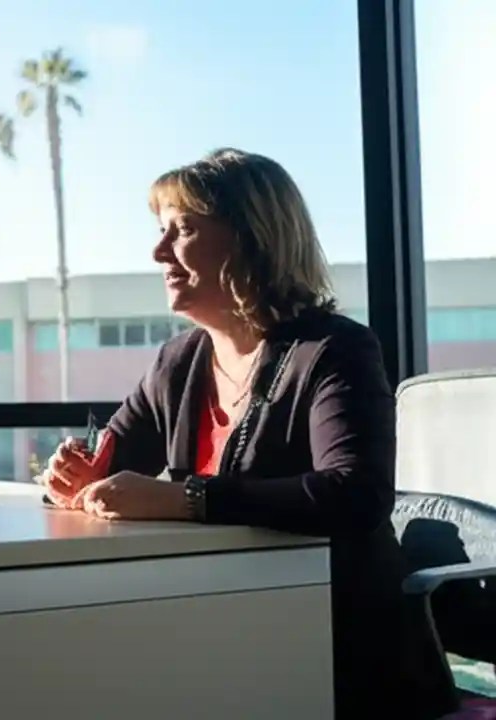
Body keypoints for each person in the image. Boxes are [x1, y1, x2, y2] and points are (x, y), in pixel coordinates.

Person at [39, 148, 455, 719]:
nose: (159, 252)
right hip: (222, 628)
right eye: (161, 232)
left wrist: (187, 499)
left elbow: (356, 493)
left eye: (183, 230)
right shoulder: (178, 362)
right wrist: (73, 475)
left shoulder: (333, 350)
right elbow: (109, 464)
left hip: (339, 649)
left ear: (252, 238)